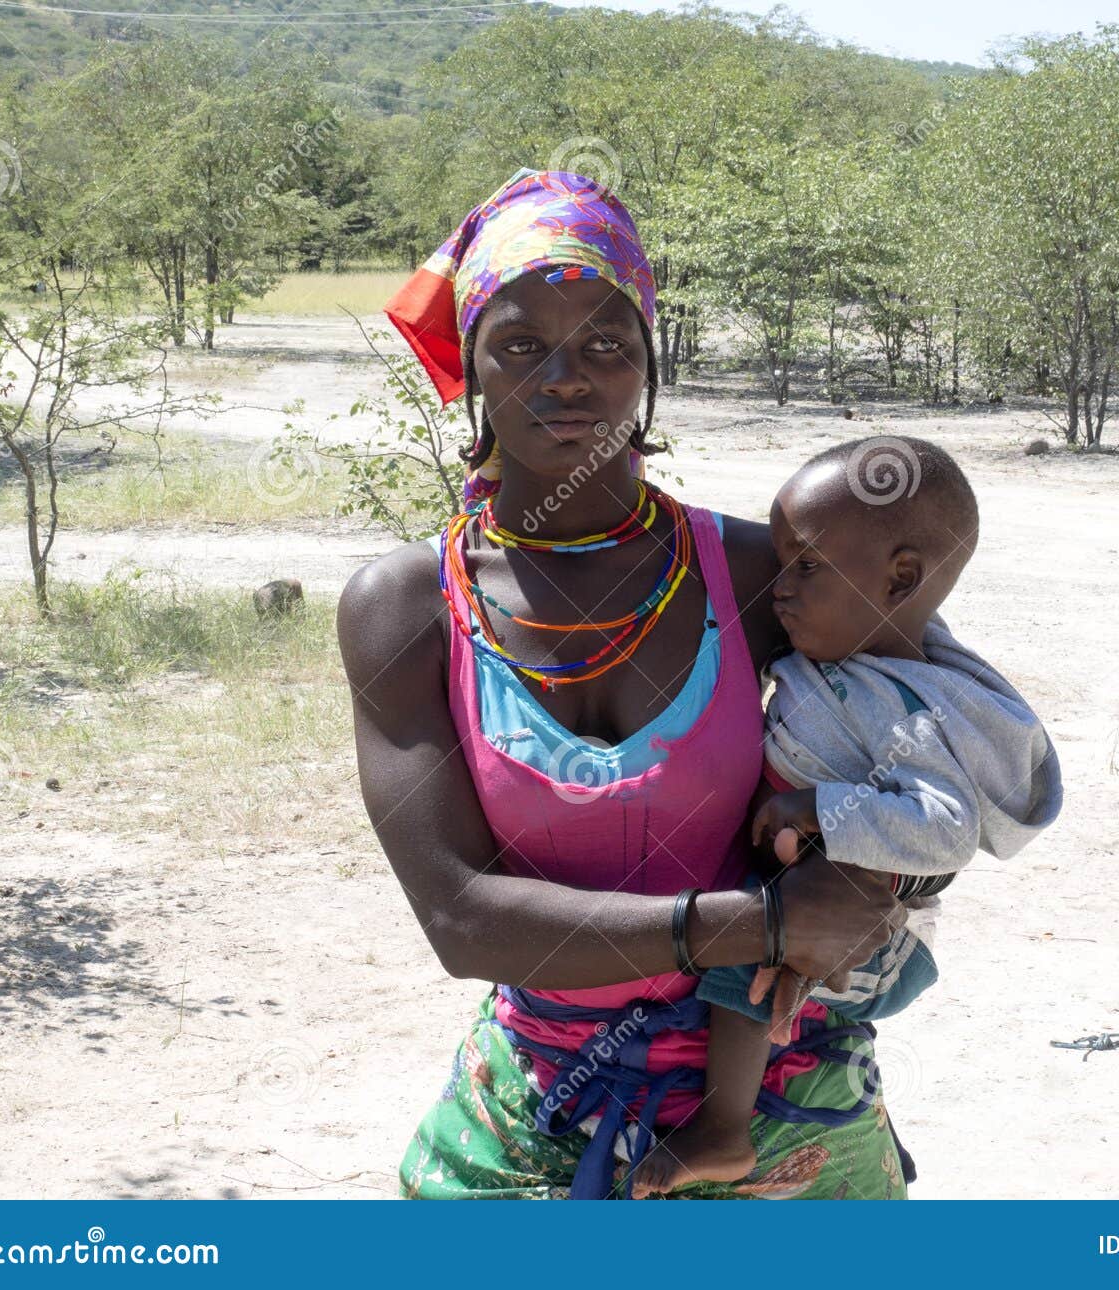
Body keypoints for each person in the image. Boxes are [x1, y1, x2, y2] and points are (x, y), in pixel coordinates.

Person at [338, 168, 913, 1200]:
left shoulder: (757, 569)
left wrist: (892, 878)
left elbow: (938, 724)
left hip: (790, 1110)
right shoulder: (405, 606)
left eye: (607, 341)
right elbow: (460, 919)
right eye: (520, 344)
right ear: (469, 365)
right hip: (541, 1105)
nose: (567, 376)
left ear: (648, 362)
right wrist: (768, 922)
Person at [634, 438, 1064, 1194]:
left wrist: (824, 808)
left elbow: (945, 826)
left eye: (807, 566)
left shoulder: (907, 703)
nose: (781, 588)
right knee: (775, 948)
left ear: (901, 579)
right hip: (833, 907)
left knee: (751, 950)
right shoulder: (840, 653)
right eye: (782, 561)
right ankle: (874, 1123)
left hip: (886, 942)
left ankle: (724, 1130)